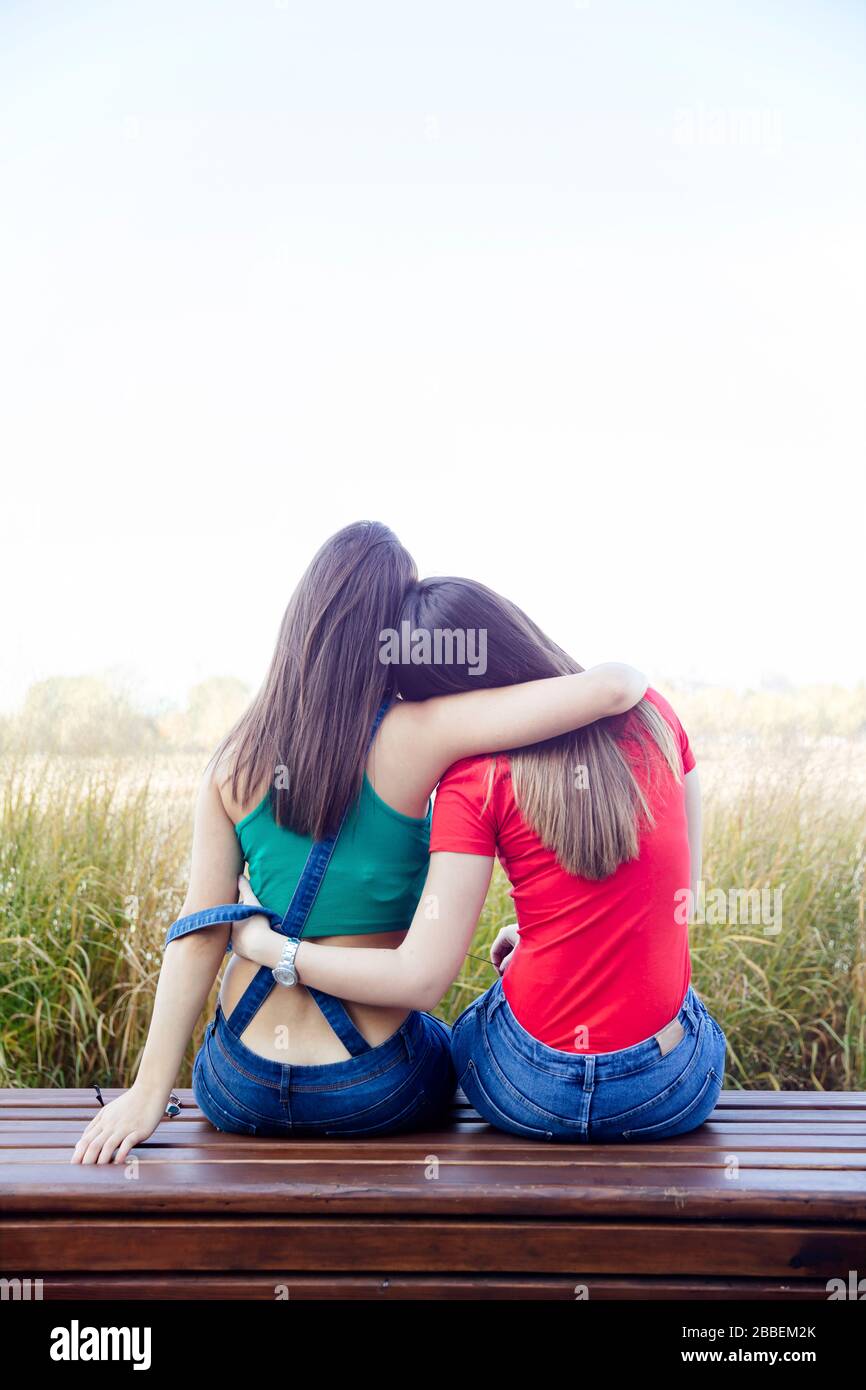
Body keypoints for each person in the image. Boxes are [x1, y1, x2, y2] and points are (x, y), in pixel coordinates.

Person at [72, 533, 647, 1162]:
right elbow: (614, 688)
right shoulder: (424, 732)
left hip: (239, 1084)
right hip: (370, 1087)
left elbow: (201, 930)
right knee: (454, 1043)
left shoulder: (231, 763)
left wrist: (148, 1091)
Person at [231, 577, 725, 1143]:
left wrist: (273, 949)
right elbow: (681, 899)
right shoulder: (655, 718)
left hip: (532, 1093)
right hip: (669, 1089)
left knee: (460, 1033)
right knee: (685, 1009)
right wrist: (552, 935)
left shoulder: (472, 780)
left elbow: (419, 975)